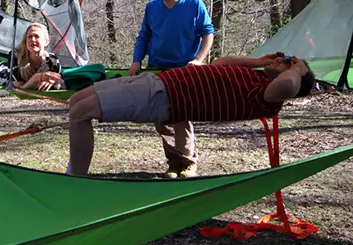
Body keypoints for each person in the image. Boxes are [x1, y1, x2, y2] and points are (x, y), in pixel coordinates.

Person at [66, 53, 315, 176]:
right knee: (76, 100)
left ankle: (75, 180)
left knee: (80, 113)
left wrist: (300, 68)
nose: (282, 59)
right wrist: (258, 61)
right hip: (158, 81)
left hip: (163, 97)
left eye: (288, 60)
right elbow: (218, 63)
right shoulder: (257, 75)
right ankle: (74, 176)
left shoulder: (268, 98)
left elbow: (288, 86)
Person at [129, 0, 214, 178]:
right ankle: (174, 162)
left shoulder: (193, 4)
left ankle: (188, 161)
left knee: (181, 114)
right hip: (157, 66)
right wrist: (137, 60)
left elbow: (208, 33)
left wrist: (198, 60)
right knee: (160, 115)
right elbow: (144, 36)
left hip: (184, 69)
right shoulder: (152, 7)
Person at [0, 14, 65, 91]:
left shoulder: (53, 60)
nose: (32, 40)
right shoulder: (16, 56)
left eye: (37, 36)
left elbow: (60, 83)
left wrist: (53, 82)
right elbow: (18, 88)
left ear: (46, 41)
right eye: (29, 37)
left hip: (7, 68)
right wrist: (38, 78)